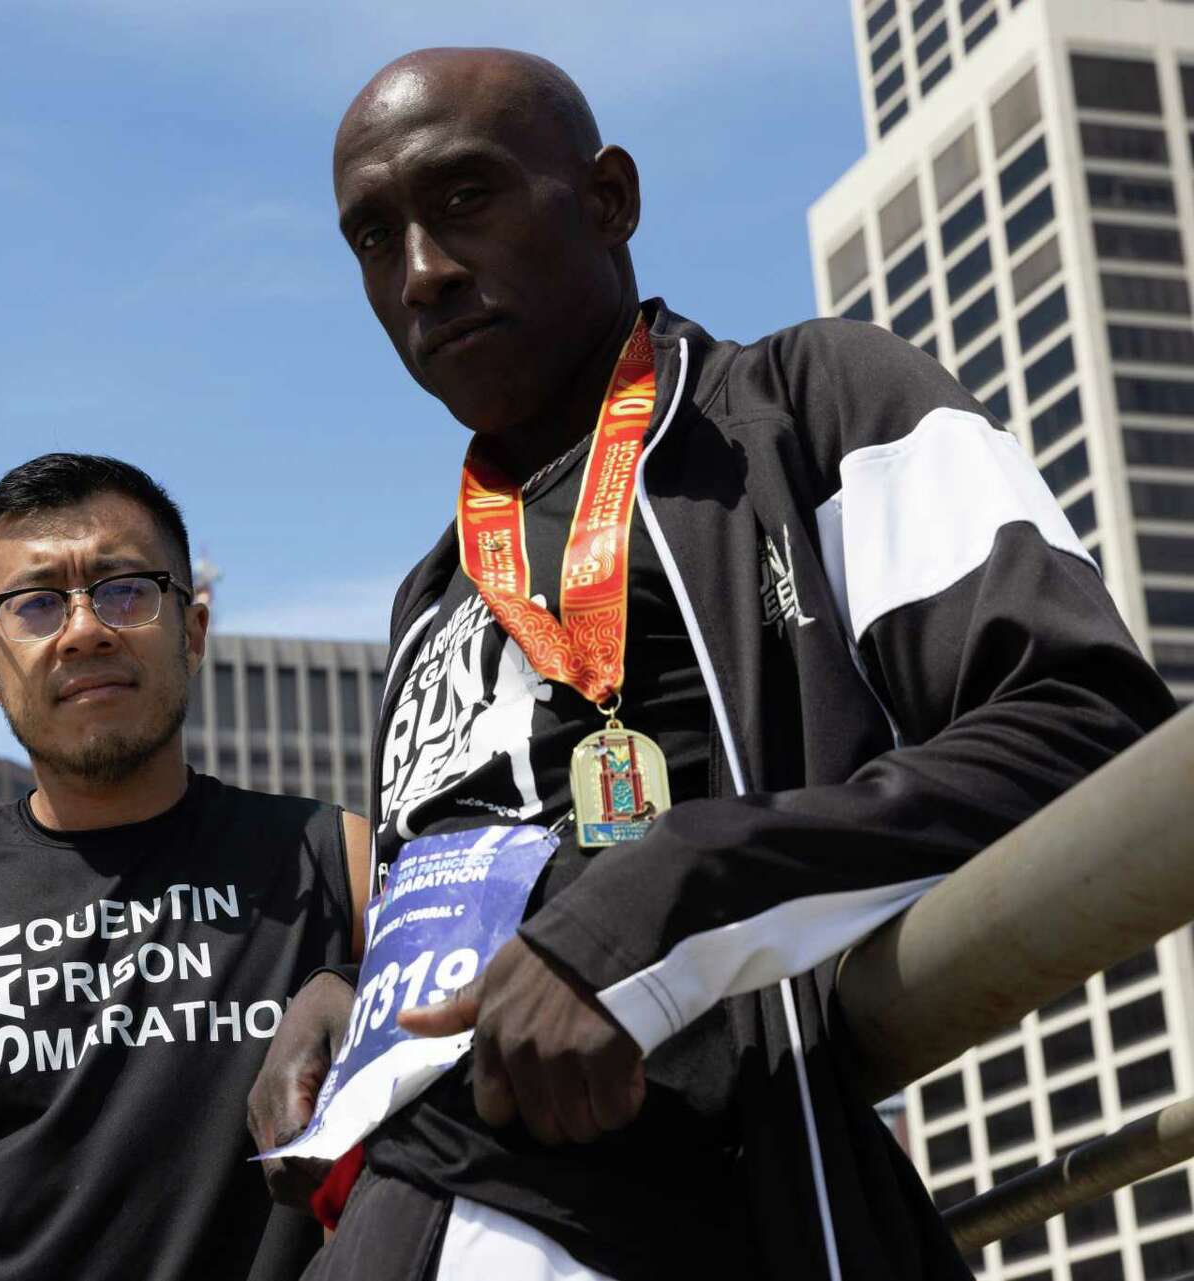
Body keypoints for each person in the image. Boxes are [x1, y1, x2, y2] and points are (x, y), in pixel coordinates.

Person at [247, 47, 1177, 1281]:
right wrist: (350, 992)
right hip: (400, 1199)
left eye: (466, 199)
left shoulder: (809, 403)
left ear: (611, 198)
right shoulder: (432, 596)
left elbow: (1087, 720)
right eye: (374, 238)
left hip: (644, 1204)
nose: (422, 273)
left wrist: (671, 894)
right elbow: (480, 867)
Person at [0, 453, 369, 1281]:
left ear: (191, 631)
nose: (85, 628)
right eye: (38, 603)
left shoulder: (338, 860)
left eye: (124, 588)